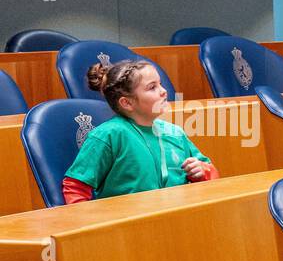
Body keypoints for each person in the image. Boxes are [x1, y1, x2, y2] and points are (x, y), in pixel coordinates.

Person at [63, 60, 217, 203]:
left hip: (176, 218)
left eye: (160, 84)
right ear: (127, 102)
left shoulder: (174, 132)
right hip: (127, 225)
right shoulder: (109, 135)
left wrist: (202, 171)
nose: (163, 91)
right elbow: (75, 187)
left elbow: (212, 174)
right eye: (152, 87)